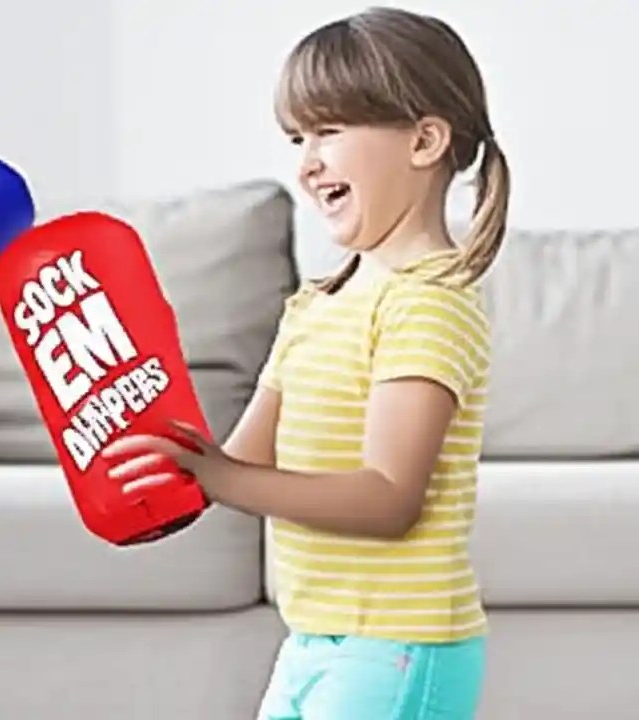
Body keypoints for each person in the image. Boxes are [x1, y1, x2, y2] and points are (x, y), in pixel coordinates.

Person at [103, 7, 509, 719]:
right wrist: (159, 449)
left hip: (398, 646)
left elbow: (388, 499)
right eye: (297, 137)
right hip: (313, 642)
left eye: (328, 130)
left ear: (424, 139)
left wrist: (222, 476)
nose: (306, 161)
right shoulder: (318, 304)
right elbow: (237, 467)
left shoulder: (429, 303)